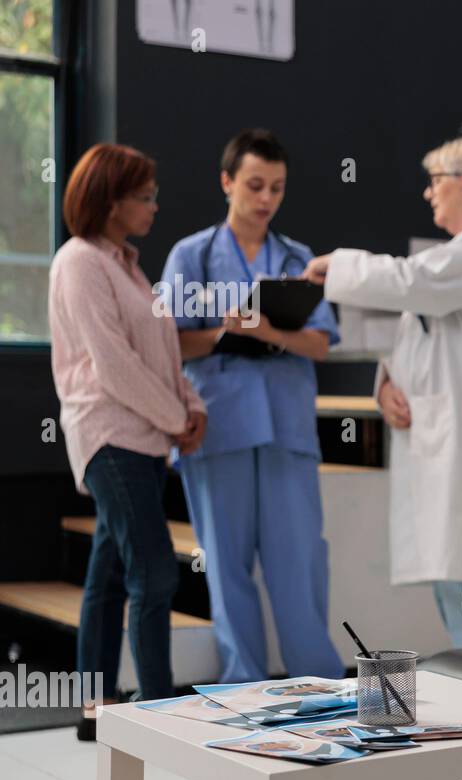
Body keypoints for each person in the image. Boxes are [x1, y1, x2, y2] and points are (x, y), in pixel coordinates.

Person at [303, 133, 462, 650]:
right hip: (440, 434)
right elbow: (408, 332)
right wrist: (385, 387)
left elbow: (413, 283)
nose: (429, 194)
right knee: (450, 574)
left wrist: (339, 264)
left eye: (435, 182)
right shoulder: (457, 257)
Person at [161, 129, 344, 682]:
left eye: (278, 188)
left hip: (286, 426)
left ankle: (316, 677)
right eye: (255, 185)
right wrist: (225, 331)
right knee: (227, 563)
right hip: (220, 425)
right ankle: (243, 681)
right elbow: (168, 340)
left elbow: (320, 342)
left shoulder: (299, 258)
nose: (266, 199)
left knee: (299, 559)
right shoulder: (190, 256)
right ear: (227, 182)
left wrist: (267, 329)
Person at [49, 143, 207, 740]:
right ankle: (161, 718)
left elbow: (160, 353)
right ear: (111, 202)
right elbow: (113, 365)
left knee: (110, 574)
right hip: (110, 436)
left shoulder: (129, 264)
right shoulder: (81, 261)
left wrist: (189, 407)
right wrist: (175, 418)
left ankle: (96, 711)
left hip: (144, 435)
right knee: (156, 573)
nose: (155, 206)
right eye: (145, 196)